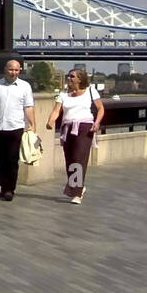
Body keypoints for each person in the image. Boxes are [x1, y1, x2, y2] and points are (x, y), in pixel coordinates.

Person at [0, 58, 36, 201]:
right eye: (11, 69)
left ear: (20, 71)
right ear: (5, 69)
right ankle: (4, 185)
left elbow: (28, 107)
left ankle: (8, 189)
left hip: (15, 128)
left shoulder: (25, 86)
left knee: (12, 160)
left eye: (16, 70)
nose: (13, 73)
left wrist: (32, 124)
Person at [46, 69, 104, 204]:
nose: (69, 78)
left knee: (78, 159)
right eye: (68, 76)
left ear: (80, 79)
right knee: (70, 160)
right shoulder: (63, 94)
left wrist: (97, 123)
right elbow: (56, 111)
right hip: (67, 128)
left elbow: (100, 108)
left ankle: (77, 193)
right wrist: (50, 121)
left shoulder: (90, 91)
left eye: (72, 77)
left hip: (84, 127)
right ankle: (76, 187)